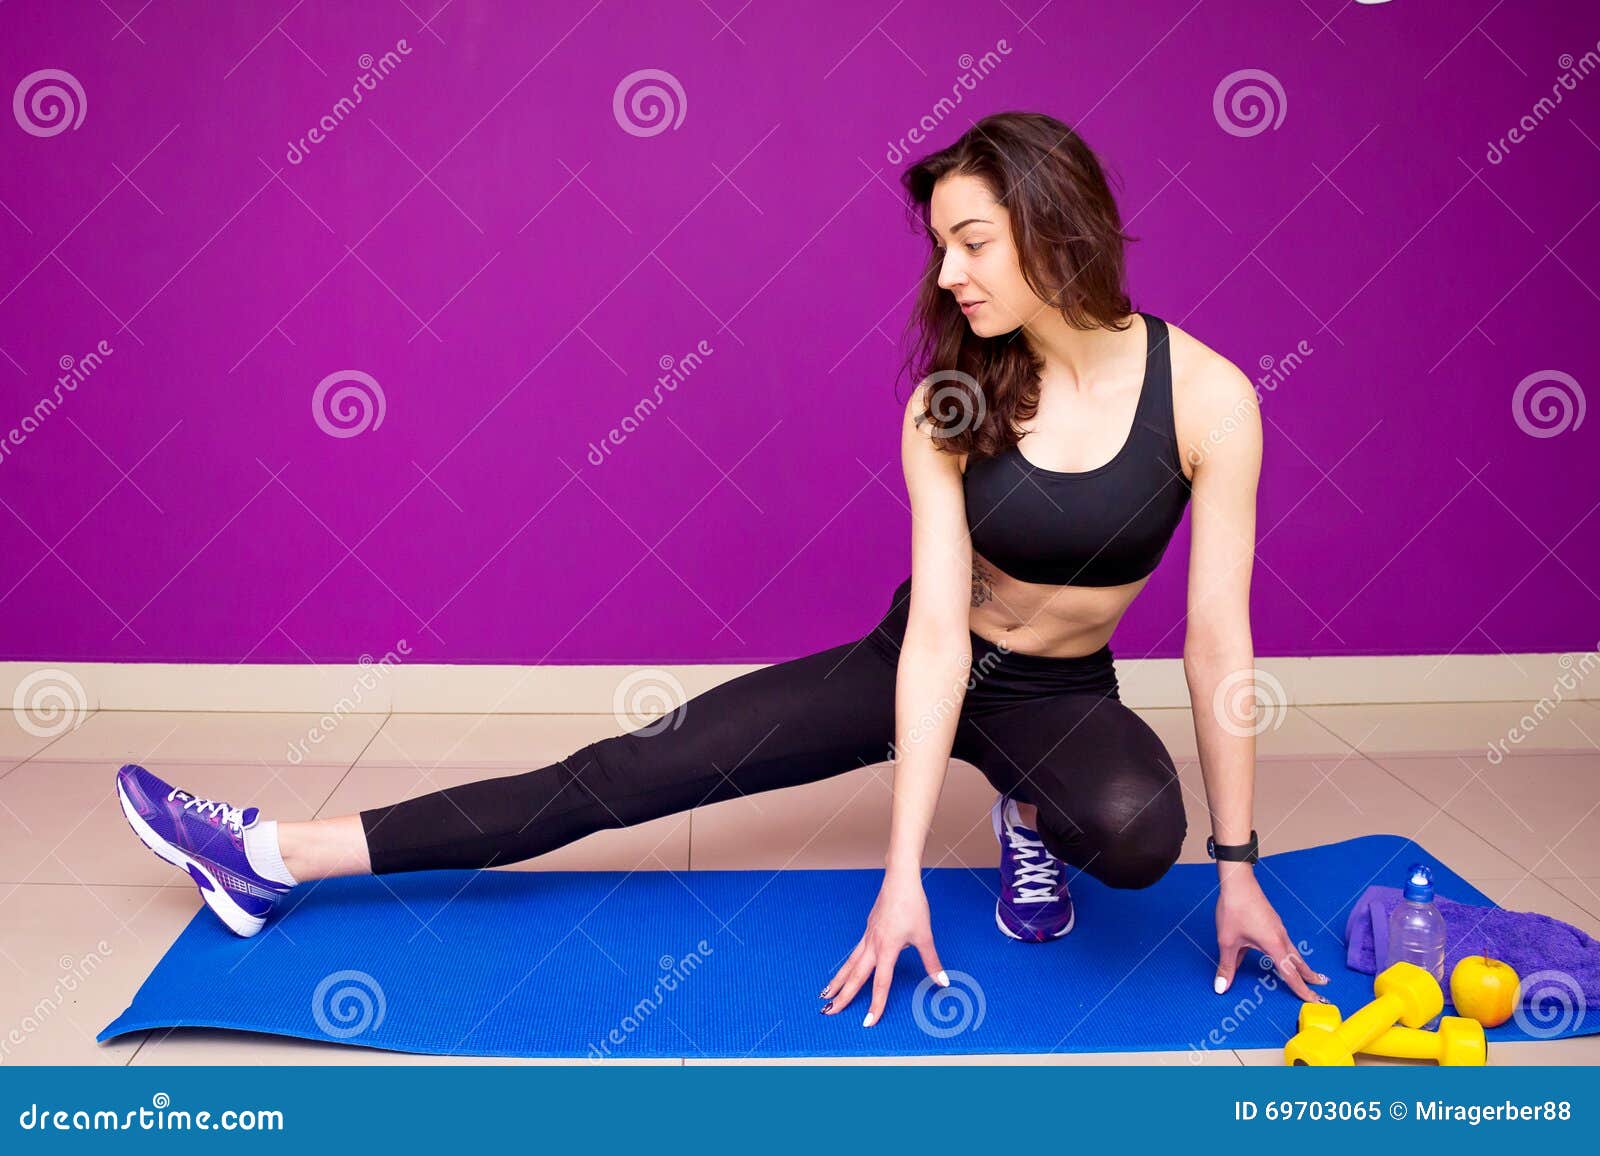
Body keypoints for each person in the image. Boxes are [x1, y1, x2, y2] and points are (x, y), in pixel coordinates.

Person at [113, 110, 1329, 1029]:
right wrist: (900, 878)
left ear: (1052, 228)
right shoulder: (950, 401)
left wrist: (1238, 867)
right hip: (921, 655)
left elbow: (1215, 639)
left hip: (1062, 699)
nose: (947, 273)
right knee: (629, 770)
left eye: (971, 242)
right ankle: (274, 855)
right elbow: (941, 639)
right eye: (940, 245)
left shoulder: (1210, 398)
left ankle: (1027, 806)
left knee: (1131, 836)